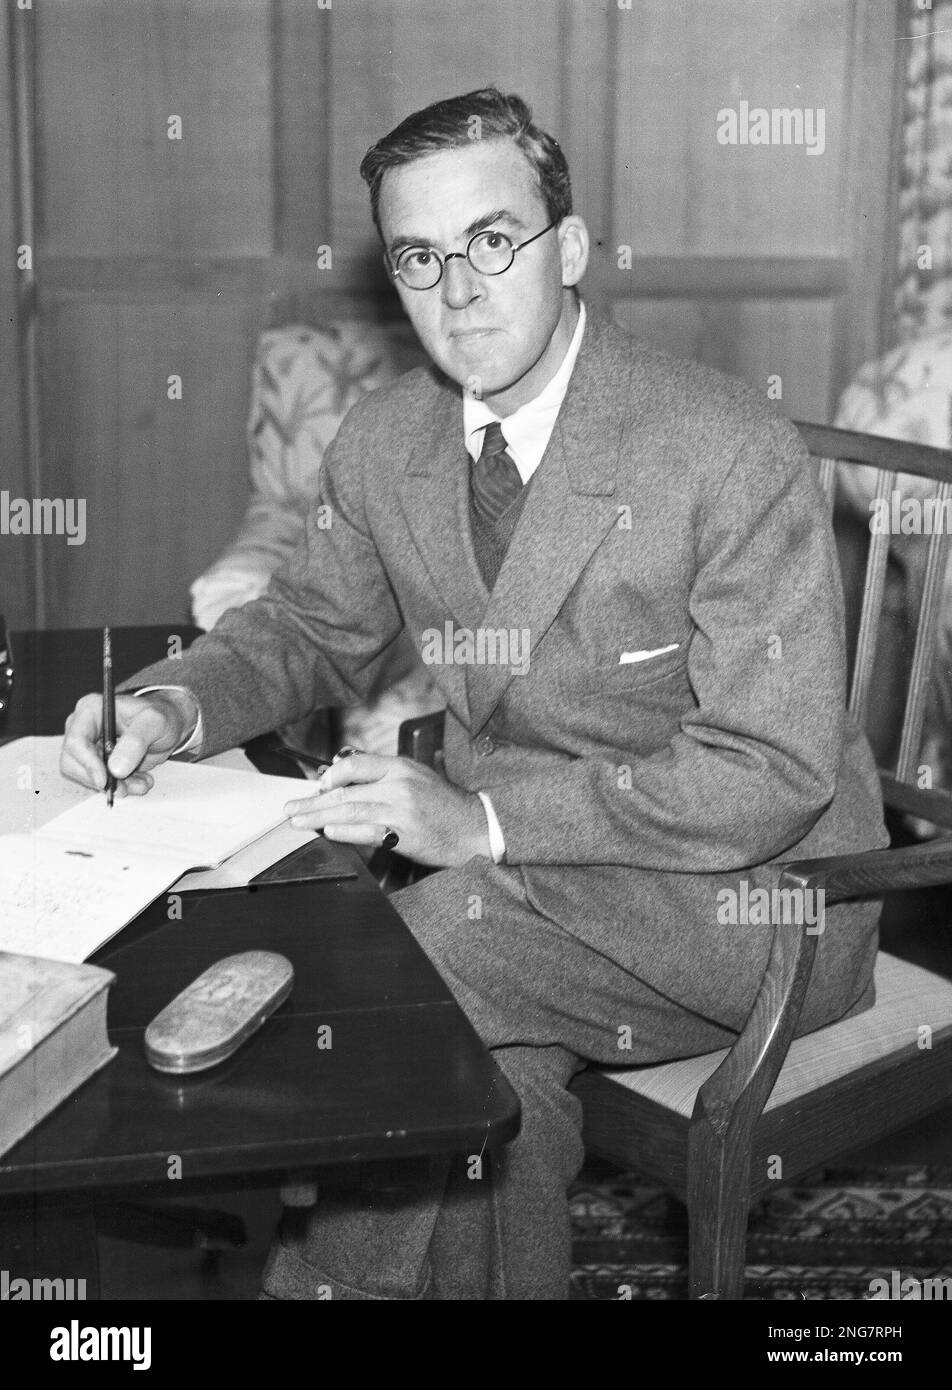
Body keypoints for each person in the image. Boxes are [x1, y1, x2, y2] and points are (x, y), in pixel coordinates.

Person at [61, 88, 888, 1300]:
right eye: (418, 257)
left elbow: (768, 770)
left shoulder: (721, 448)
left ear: (568, 247)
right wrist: (171, 708)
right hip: (519, 898)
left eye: (491, 242)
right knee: (492, 1093)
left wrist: (482, 825)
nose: (458, 290)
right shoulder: (386, 440)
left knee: (408, 966)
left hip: (750, 901)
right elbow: (306, 627)